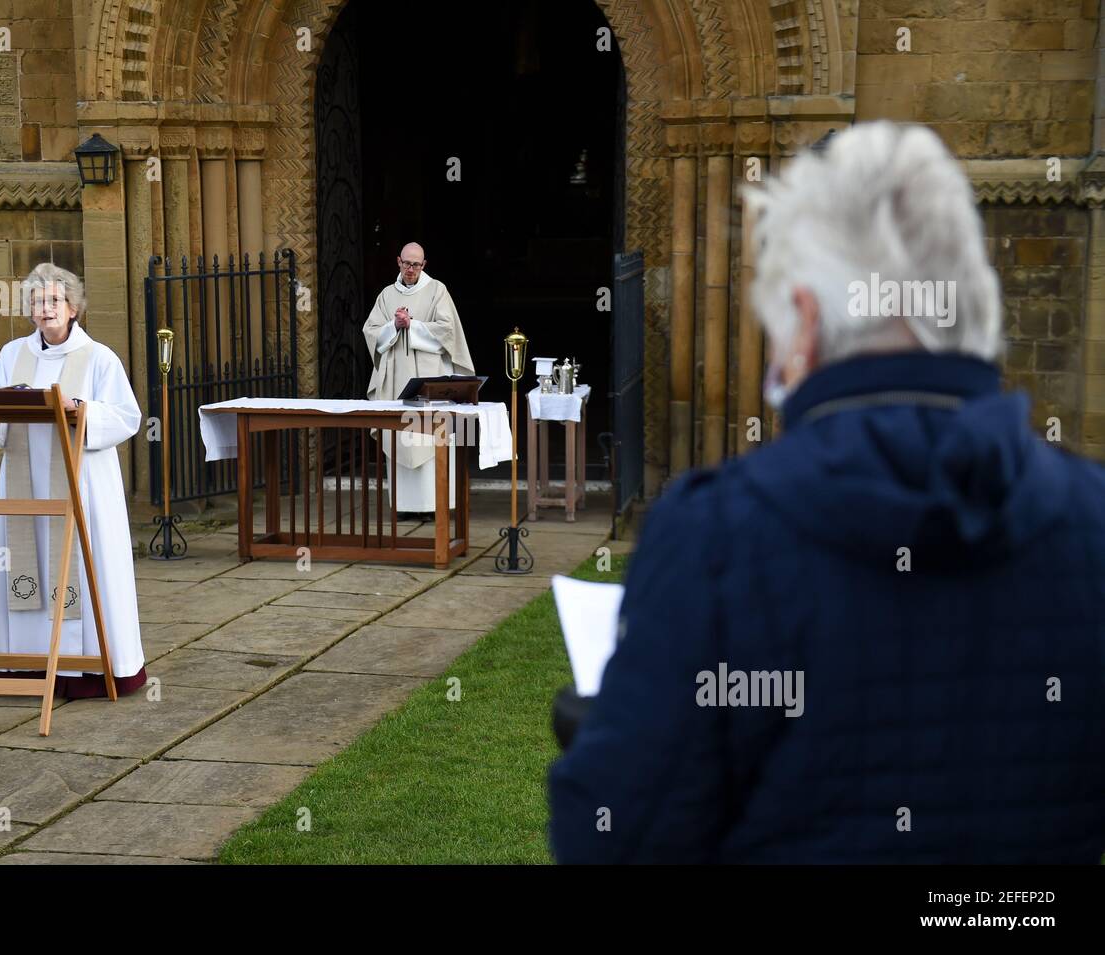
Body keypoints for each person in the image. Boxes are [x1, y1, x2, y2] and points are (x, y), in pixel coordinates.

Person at [548, 121, 1105, 863]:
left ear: (806, 323)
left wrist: (601, 723)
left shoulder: (718, 535)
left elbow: (612, 837)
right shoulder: (1091, 521)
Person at [0, 263, 147, 699]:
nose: (44, 308)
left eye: (53, 300)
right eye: (36, 301)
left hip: (82, 486)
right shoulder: (12, 354)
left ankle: (90, 670)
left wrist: (81, 408)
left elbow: (127, 416)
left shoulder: (99, 357)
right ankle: (28, 665)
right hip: (24, 487)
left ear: (73, 307)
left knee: (85, 568)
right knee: (28, 562)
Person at [362, 242, 475, 517]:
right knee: (399, 435)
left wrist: (414, 326)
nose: (411, 269)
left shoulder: (437, 290)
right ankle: (404, 505)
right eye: (406, 263)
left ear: (424, 265)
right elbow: (370, 331)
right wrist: (394, 326)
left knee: (430, 437)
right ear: (398, 261)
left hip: (429, 379)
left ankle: (433, 506)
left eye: (416, 264)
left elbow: (448, 331)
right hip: (396, 380)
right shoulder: (387, 295)